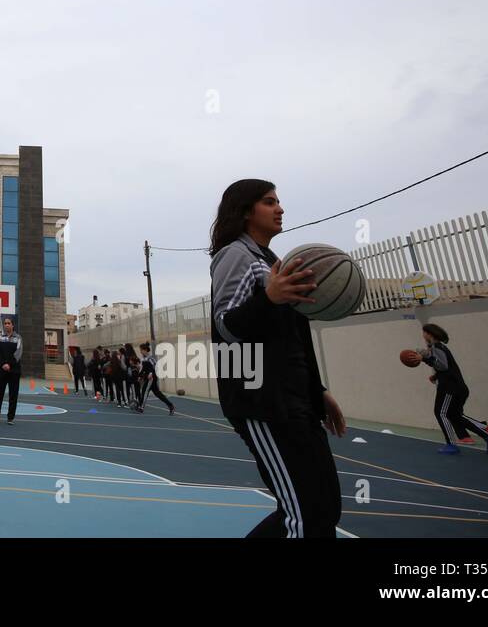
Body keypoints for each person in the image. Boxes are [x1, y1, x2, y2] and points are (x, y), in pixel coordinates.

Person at [209, 179, 346, 538]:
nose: (280, 208)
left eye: (278, 201)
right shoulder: (234, 255)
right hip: (262, 401)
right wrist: (268, 298)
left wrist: (319, 390)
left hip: (295, 399)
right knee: (305, 516)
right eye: (269, 202)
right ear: (245, 211)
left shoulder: (272, 261)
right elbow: (226, 326)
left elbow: (293, 337)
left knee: (323, 507)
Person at [418, 323, 488, 454]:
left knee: (440, 413)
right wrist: (436, 376)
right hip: (457, 387)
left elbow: (442, 366)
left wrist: (424, 359)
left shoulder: (438, 347)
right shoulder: (438, 347)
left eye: (423, 332)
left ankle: (451, 444)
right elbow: (446, 368)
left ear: (429, 334)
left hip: (450, 388)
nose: (422, 335)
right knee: (455, 416)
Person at [0, 317, 23, 425]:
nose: (6, 325)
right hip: (2, 371)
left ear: (13, 325)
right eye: (5, 323)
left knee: (13, 395)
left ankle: (10, 418)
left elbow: (18, 353)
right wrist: (3, 364)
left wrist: (9, 364)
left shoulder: (18, 338)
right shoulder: (0, 338)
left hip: (14, 371)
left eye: (8, 323)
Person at [135, 343, 175, 415]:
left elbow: (155, 367)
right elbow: (142, 369)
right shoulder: (143, 359)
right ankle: (171, 406)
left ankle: (141, 408)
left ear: (145, 350)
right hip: (147, 377)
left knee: (145, 391)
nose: (140, 352)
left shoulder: (151, 358)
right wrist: (139, 376)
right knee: (157, 393)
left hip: (152, 378)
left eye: (141, 350)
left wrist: (151, 373)